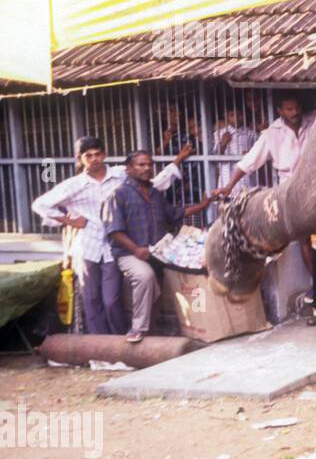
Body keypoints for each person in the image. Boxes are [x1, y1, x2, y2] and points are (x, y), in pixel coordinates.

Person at [31, 136, 191, 335]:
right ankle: (100, 348)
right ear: (80, 158)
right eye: (88, 156)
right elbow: (40, 204)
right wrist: (70, 221)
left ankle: (118, 342)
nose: (94, 159)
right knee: (91, 300)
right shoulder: (73, 184)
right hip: (87, 247)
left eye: (98, 154)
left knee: (112, 300)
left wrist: (176, 162)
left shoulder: (120, 175)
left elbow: (152, 182)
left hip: (112, 247)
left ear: (104, 154)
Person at [105, 151, 210, 342]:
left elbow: (174, 214)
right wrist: (136, 249)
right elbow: (114, 232)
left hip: (158, 253)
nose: (147, 168)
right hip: (129, 253)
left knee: (160, 290)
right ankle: (138, 329)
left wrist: (203, 205)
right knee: (145, 276)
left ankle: (150, 334)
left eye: (149, 164)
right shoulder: (118, 194)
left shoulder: (155, 194)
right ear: (129, 169)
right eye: (141, 165)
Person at [213, 95, 314, 197]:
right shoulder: (272, 133)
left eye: (297, 108)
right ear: (280, 111)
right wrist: (229, 186)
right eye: (289, 109)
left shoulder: (313, 122)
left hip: (314, 183)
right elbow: (248, 161)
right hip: (289, 189)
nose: (295, 112)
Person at [212, 106, 259, 198]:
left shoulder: (251, 134)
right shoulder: (219, 134)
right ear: (226, 116)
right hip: (226, 179)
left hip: (247, 180)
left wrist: (251, 153)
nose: (236, 118)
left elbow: (258, 154)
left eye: (239, 115)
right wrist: (223, 144)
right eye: (232, 115)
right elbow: (214, 159)